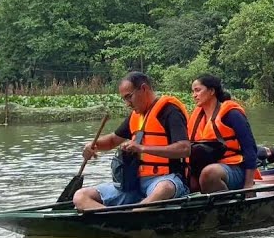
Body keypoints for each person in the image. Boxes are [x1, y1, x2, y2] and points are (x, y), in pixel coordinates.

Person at [72, 72, 190, 210]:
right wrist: (93, 145)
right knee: (80, 196)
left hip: (165, 179)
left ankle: (137, 212)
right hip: (133, 184)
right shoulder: (135, 116)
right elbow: (112, 140)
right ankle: (113, 217)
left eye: (129, 97)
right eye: (124, 99)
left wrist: (142, 148)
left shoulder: (170, 111)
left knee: (164, 189)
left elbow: (184, 149)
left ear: (144, 89)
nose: (127, 104)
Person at [187, 74, 259, 193]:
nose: (194, 95)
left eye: (198, 90)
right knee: (187, 179)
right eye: (193, 91)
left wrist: (248, 186)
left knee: (209, 173)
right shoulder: (196, 117)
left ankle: (229, 202)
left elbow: (250, 148)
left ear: (211, 91)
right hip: (205, 168)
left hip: (234, 168)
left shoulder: (232, 114)